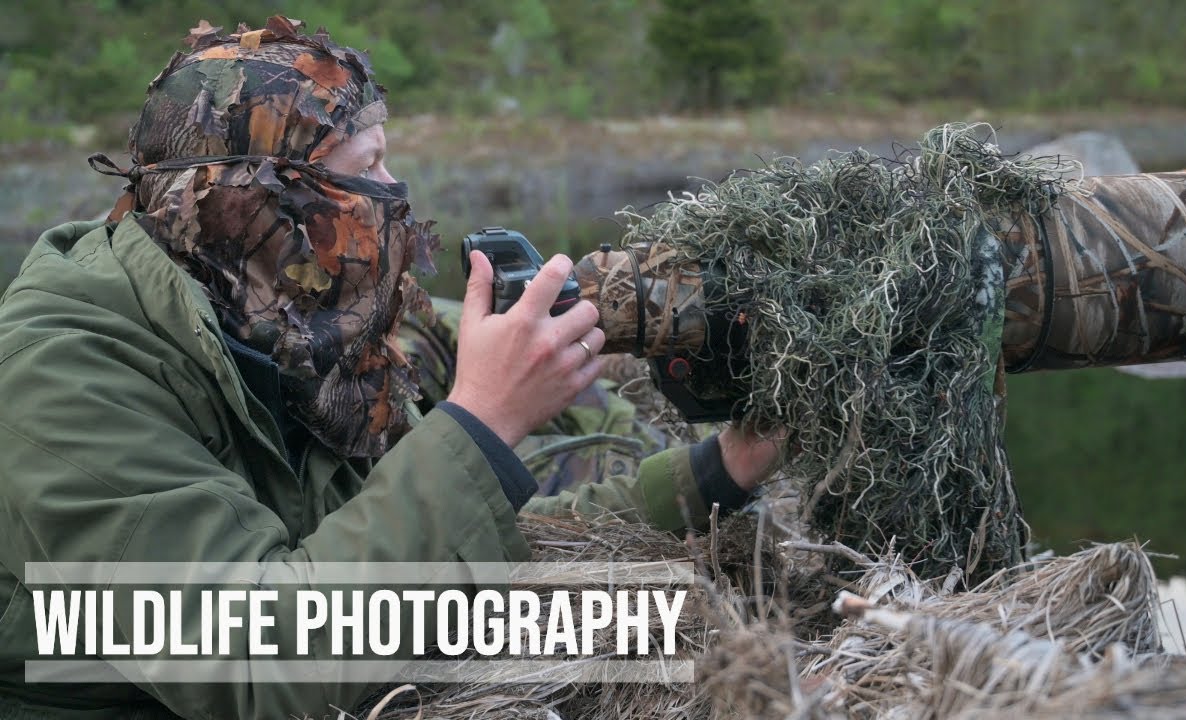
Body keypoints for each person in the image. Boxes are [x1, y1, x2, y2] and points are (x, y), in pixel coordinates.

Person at [0, 17, 781, 719]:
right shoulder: (61, 375)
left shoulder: (285, 327)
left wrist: (718, 471)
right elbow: (251, 661)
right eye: (369, 167)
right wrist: (483, 420)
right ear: (261, 204)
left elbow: (434, 546)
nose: (393, 195)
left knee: (657, 633)